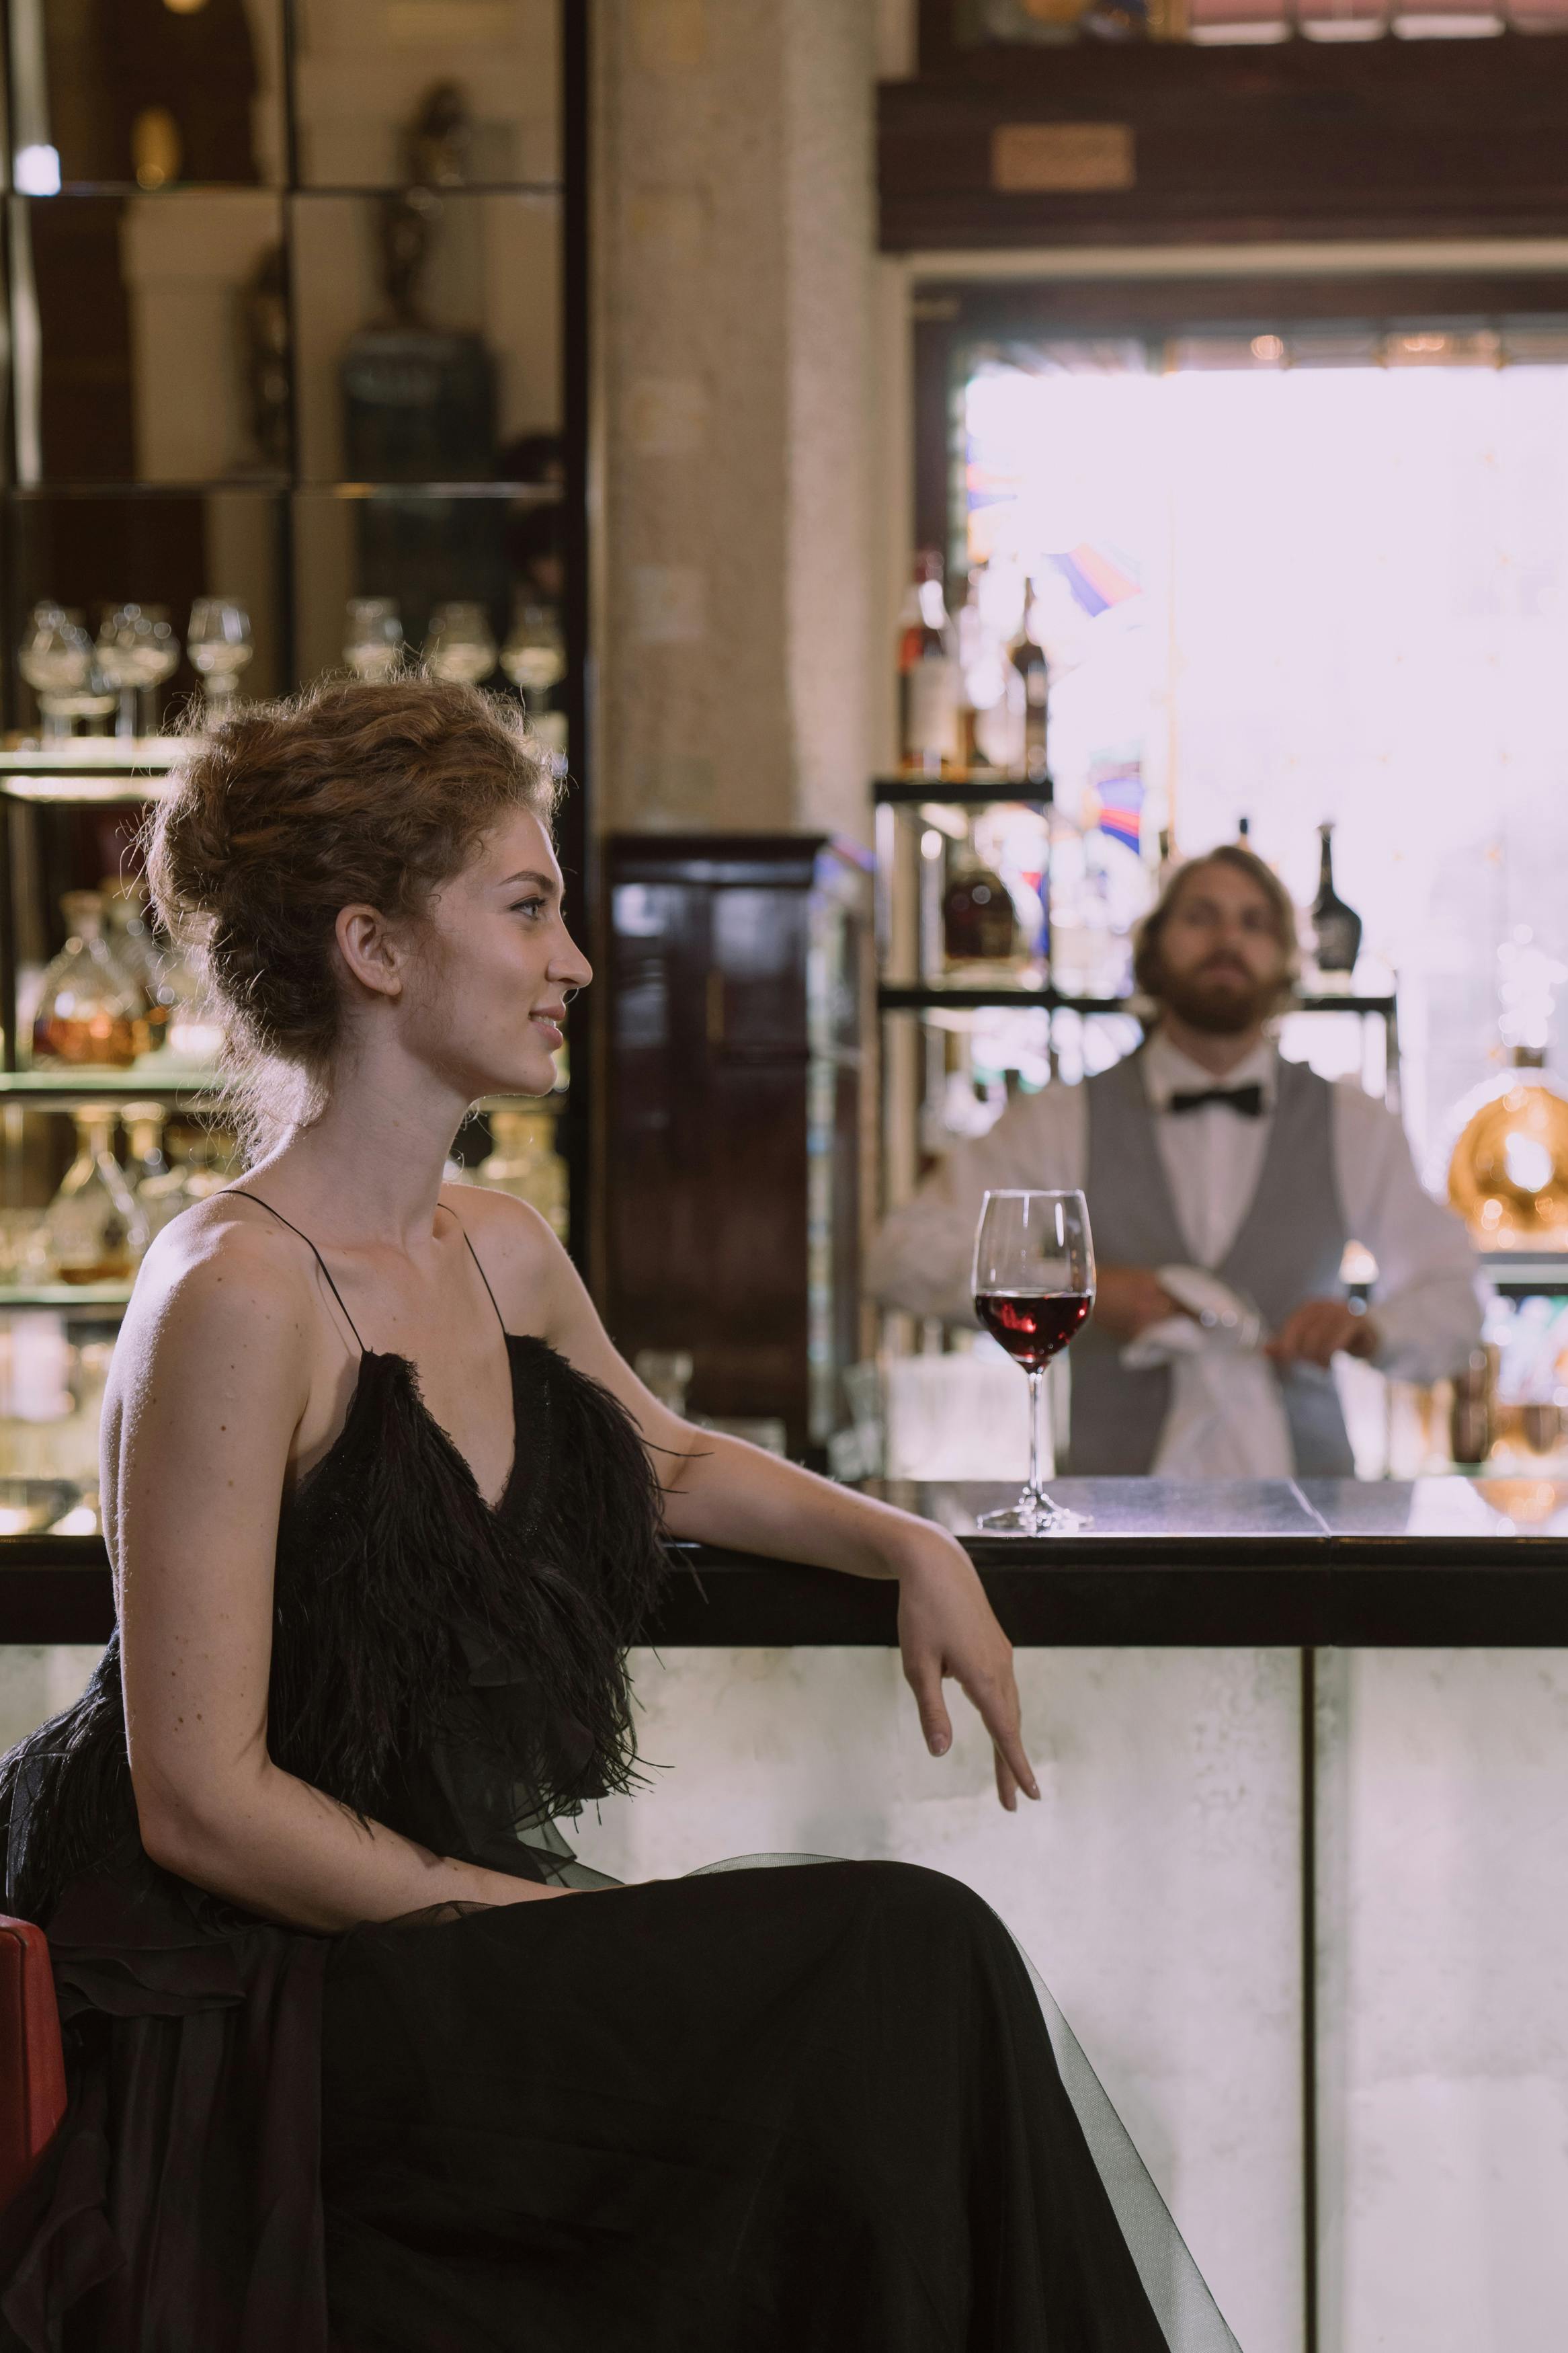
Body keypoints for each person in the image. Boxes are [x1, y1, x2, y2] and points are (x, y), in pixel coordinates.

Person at [0, 680, 1238, 2352]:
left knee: (901, 1997)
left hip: (447, 1959)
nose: (575, 959)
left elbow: (657, 1458)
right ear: (373, 949)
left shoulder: (495, 1245)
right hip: (267, 2018)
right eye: (527, 907)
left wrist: (910, 1544)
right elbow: (203, 1808)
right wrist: (552, 1924)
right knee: (896, 1956)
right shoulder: (231, 1292)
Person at [869, 844, 1481, 1477]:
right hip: (1112, 1520)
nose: (1226, 939)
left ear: (1284, 961)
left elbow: (1455, 1296)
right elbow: (898, 1257)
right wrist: (1092, 1291)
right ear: (1152, 949)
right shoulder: (1059, 1118)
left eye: (1253, 924)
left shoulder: (1354, 1123)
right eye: (1200, 917)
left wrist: (1367, 1329)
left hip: (1311, 1518)